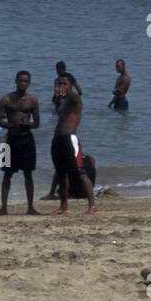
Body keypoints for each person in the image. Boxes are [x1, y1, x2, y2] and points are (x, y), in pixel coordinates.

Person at [0, 71, 41, 215]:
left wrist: (27, 124)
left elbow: (37, 123)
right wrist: (11, 125)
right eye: (20, 81)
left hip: (27, 139)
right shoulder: (6, 99)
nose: (23, 83)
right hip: (10, 139)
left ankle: (30, 207)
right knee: (7, 174)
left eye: (25, 81)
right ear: (15, 81)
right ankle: (3, 207)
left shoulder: (33, 100)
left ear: (29, 83)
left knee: (28, 174)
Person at [52, 72, 96, 215]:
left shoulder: (74, 99)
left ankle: (92, 206)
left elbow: (74, 95)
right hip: (58, 140)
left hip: (70, 140)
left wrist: (67, 91)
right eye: (60, 83)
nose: (62, 86)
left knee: (80, 172)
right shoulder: (63, 102)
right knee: (61, 173)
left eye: (65, 83)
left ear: (70, 85)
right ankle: (64, 206)